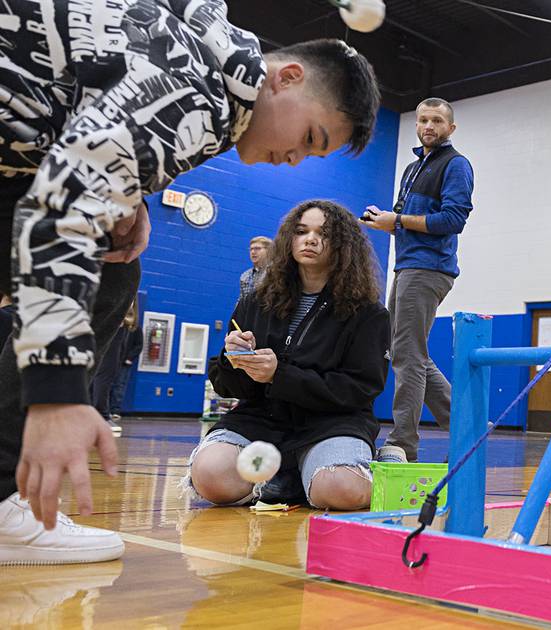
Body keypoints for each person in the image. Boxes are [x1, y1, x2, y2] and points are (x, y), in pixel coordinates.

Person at [0, 0, 380, 566]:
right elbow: (63, 207)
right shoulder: (200, 94)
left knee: (111, 266)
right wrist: (54, 397)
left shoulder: (209, 59)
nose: (296, 160)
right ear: (288, 77)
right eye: (309, 136)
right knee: (106, 271)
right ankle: (10, 499)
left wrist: (130, 195)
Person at [187, 200, 388, 510]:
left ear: (344, 246)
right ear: (288, 240)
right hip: (262, 420)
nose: (310, 239)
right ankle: (289, 479)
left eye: (324, 233)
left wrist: (279, 375)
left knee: (339, 490)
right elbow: (230, 388)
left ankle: (347, 466)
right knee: (210, 476)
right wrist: (234, 361)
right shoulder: (256, 301)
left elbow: (360, 389)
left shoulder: (369, 313)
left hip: (332, 423)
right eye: (301, 231)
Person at [361, 97, 474, 463]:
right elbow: (405, 220)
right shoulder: (412, 168)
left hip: (429, 269)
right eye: (424, 119)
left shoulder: (456, 165)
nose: (429, 126)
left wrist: (395, 221)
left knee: (407, 355)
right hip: (408, 265)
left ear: (450, 128)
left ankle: (403, 444)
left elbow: (452, 220)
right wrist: (387, 218)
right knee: (407, 353)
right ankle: (467, 428)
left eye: (437, 120)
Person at [90, 301, 142, 436]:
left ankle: (97, 414)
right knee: (104, 373)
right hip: (111, 323)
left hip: (117, 325)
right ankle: (101, 416)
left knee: (103, 373)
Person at [240, 237, 273, 301]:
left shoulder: (277, 272)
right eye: (251, 249)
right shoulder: (245, 276)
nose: (253, 252)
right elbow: (242, 301)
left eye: (257, 248)